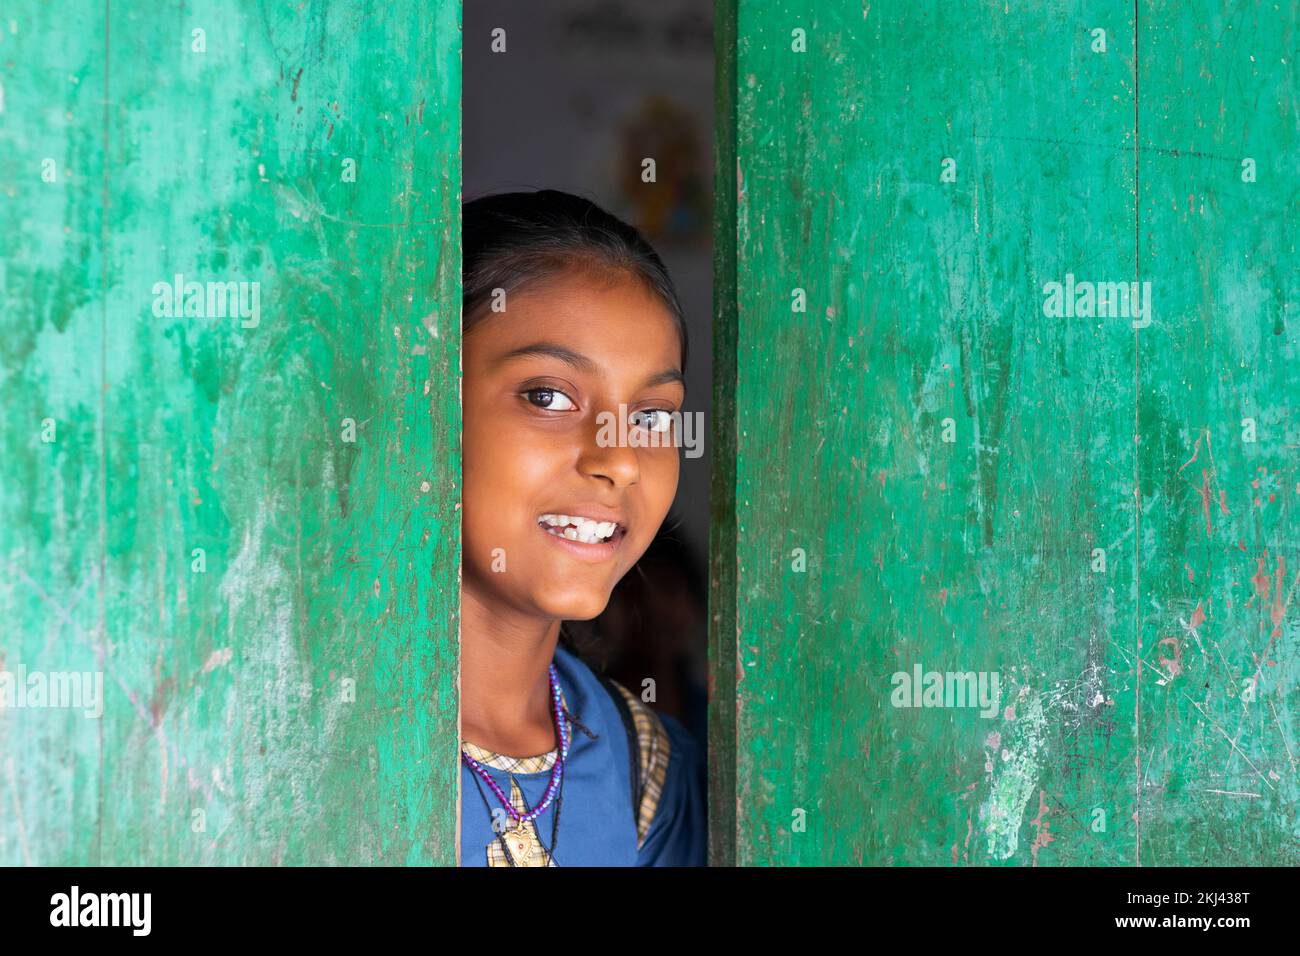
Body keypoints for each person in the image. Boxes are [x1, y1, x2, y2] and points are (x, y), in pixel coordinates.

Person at [458, 189, 706, 866]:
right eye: (548, 396)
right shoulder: (287, 724)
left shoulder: (649, 775)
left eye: (654, 415)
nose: (621, 458)